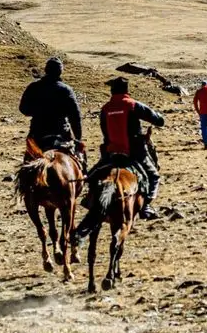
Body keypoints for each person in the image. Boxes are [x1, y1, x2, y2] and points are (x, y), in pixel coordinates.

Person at [95, 76, 165, 217]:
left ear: (112, 91)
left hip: (112, 151)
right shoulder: (132, 104)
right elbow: (158, 120)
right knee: (153, 175)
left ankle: (90, 198)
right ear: (126, 89)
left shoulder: (105, 108)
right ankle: (146, 206)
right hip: (134, 150)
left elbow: (104, 130)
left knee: (94, 173)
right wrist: (158, 117)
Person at [17, 57, 84, 163]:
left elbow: (23, 109)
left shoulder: (33, 87)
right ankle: (84, 177)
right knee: (80, 159)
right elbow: (75, 116)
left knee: (27, 165)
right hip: (61, 133)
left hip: (38, 133)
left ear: (46, 70)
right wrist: (78, 139)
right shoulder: (66, 90)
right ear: (60, 72)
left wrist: (38, 111)